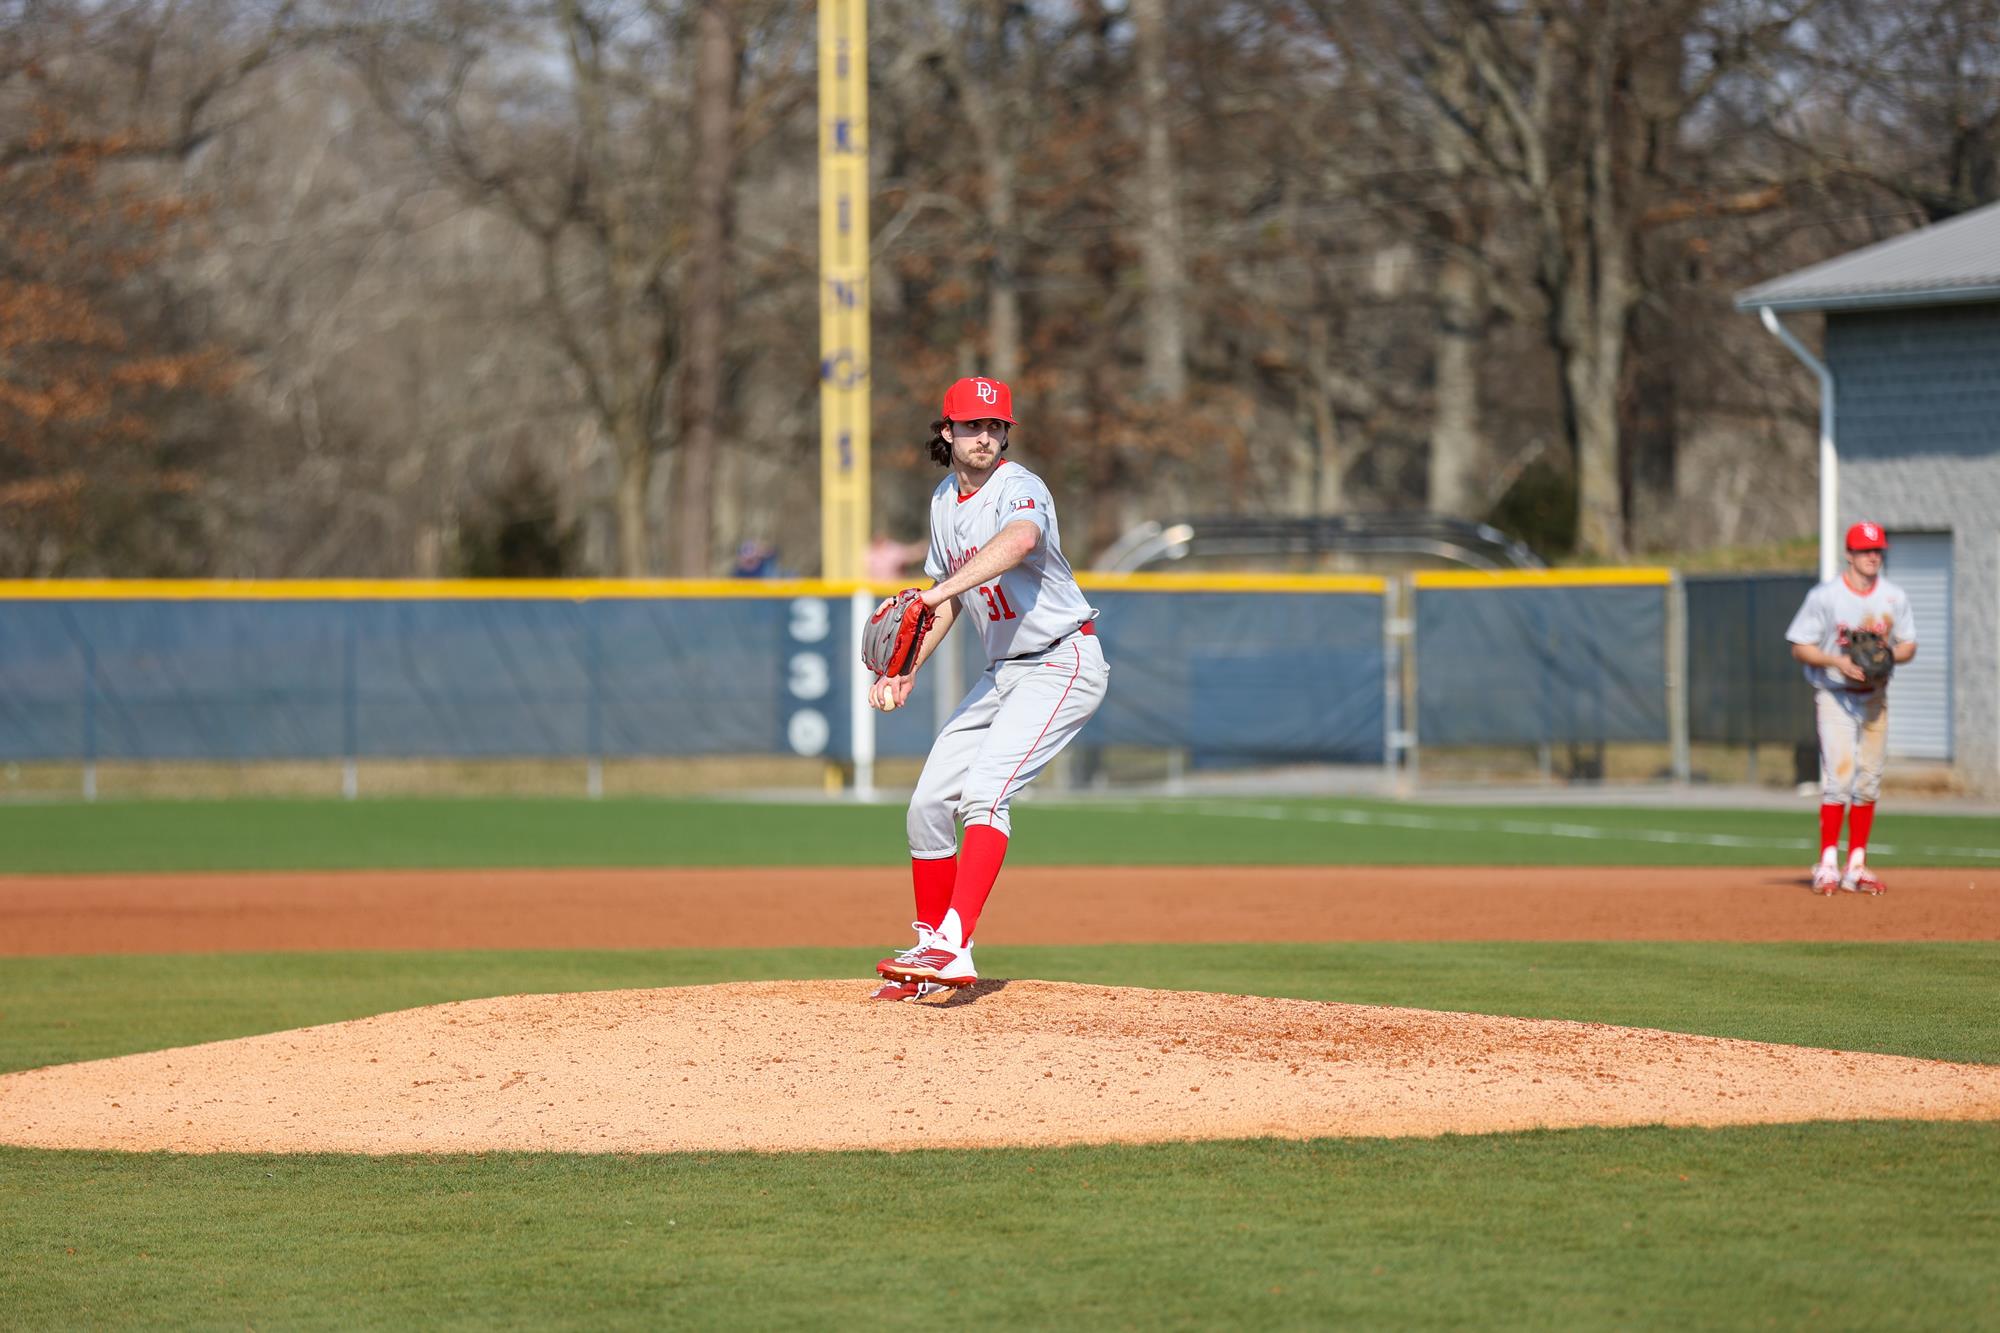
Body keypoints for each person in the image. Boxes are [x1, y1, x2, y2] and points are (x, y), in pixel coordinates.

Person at [867, 375, 1111, 998]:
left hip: (1062, 662)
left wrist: (938, 591)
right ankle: (930, 948)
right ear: (946, 433)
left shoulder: (1019, 487)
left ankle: (954, 943)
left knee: (984, 793)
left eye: (995, 426)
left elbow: (1019, 543)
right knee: (927, 803)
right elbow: (943, 605)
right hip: (1004, 674)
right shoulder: (944, 503)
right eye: (972, 426)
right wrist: (905, 665)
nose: (985, 436)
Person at [1784, 521, 1917, 894]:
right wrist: (1836, 661)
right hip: (1835, 695)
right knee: (1839, 779)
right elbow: (1798, 645)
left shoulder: (1893, 598)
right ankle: (1827, 863)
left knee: (1870, 780)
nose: (1873, 556)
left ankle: (1856, 865)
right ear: (1850, 555)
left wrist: (1890, 654)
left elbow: (1909, 644)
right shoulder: (1825, 597)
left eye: (1877, 550)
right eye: (1864, 551)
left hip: (1874, 696)